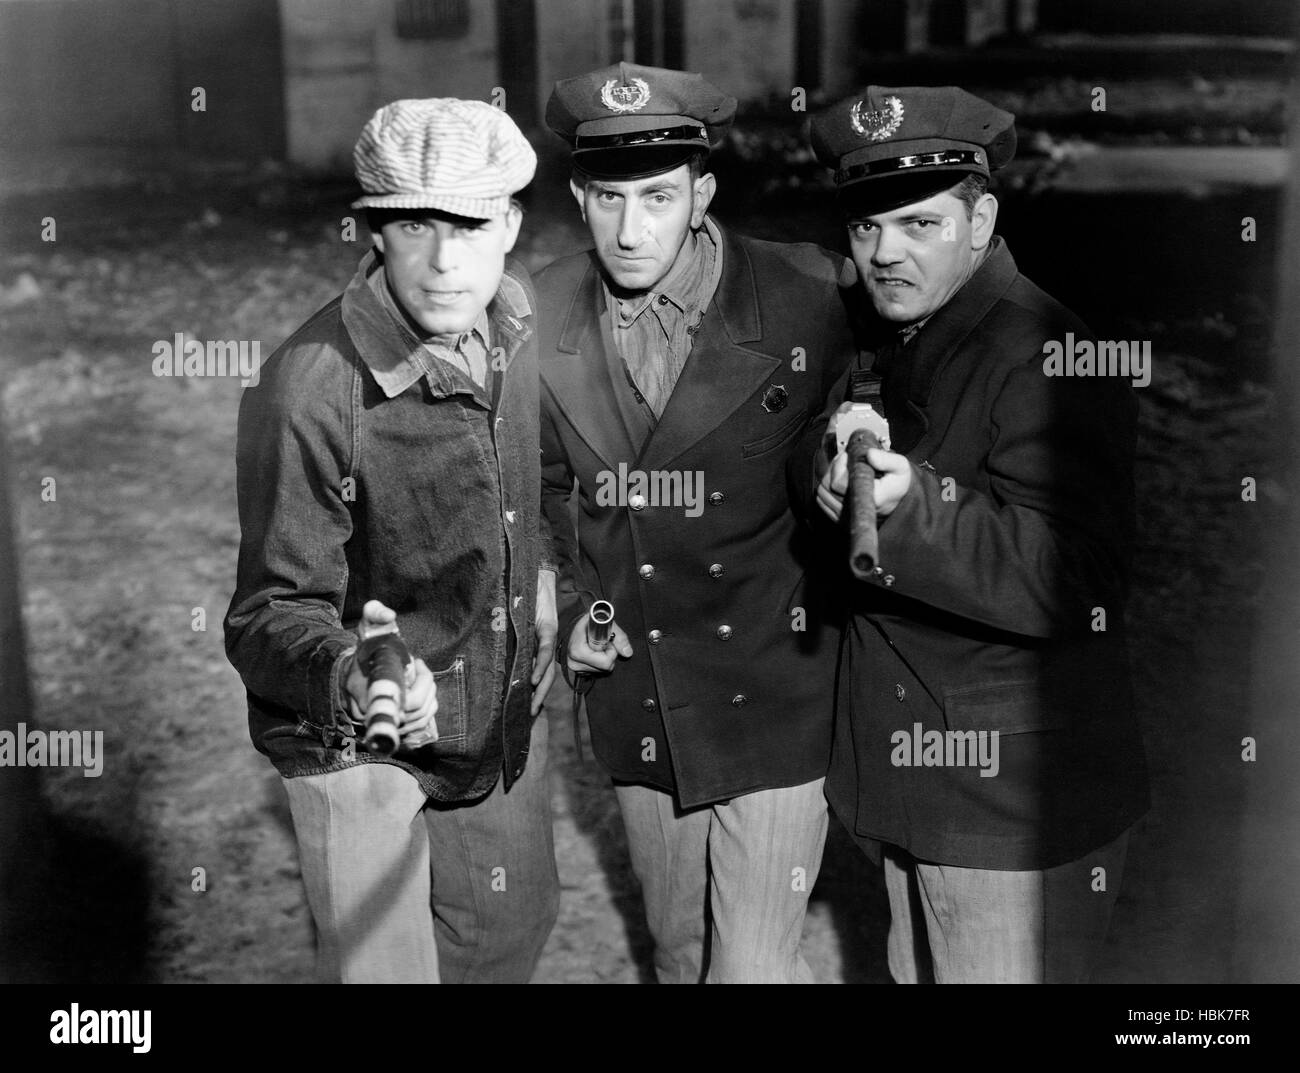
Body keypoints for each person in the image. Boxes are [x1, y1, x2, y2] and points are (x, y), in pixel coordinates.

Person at [792, 85, 1150, 983]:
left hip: (1012, 809)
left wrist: (916, 511)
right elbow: (826, 434)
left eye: (919, 224)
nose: (885, 255)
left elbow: (1083, 574)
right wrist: (826, 466)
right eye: (867, 229)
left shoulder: (1043, 353)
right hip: (928, 780)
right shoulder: (906, 327)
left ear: (981, 218)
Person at [224, 98, 560, 984]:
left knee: (509, 931)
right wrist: (352, 672)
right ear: (373, 232)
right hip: (352, 726)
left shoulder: (523, 331)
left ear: (511, 225)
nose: (448, 261)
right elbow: (265, 613)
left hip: (490, 703)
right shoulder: (309, 389)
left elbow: (549, 488)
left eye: (472, 225)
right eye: (416, 224)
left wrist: (556, 589)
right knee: (384, 971)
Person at [537, 63, 857, 983]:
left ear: (702, 191)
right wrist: (573, 614)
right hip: (640, 693)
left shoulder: (808, 293)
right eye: (608, 199)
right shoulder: (540, 311)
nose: (632, 230)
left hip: (774, 692)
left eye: (659, 197)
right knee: (680, 953)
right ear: (578, 197)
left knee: (750, 970)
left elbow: (901, 385)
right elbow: (545, 489)